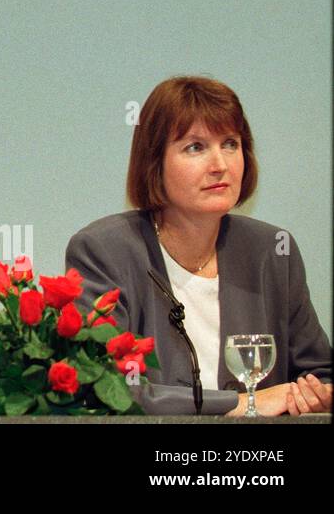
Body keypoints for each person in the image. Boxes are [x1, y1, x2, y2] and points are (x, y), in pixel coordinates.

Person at [66, 76, 331, 416]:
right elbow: (109, 386)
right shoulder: (102, 251)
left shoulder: (273, 251)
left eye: (230, 144)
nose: (219, 164)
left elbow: (319, 374)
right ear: (154, 163)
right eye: (196, 147)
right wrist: (243, 403)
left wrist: (314, 396)